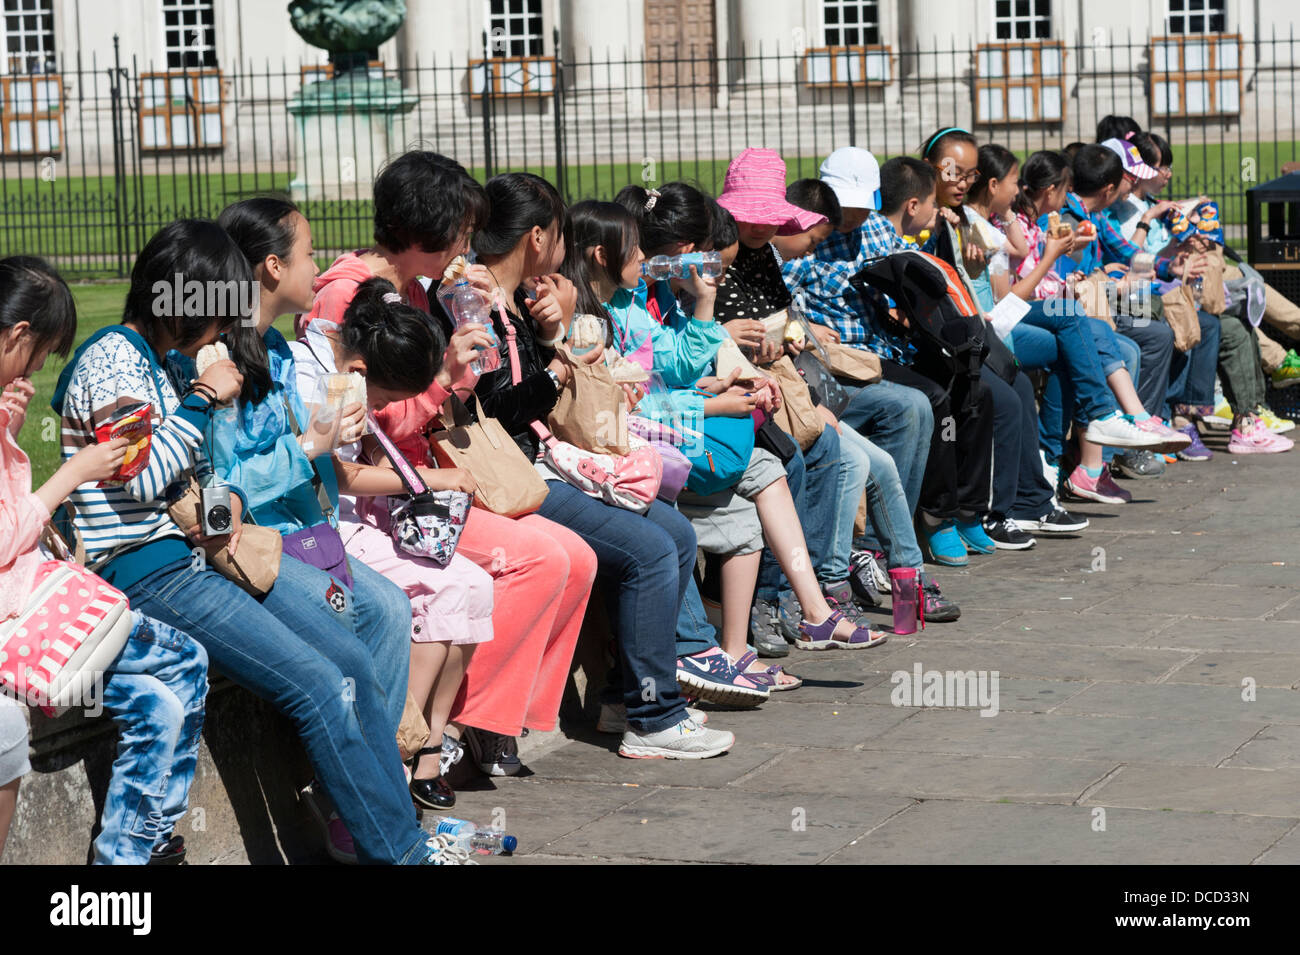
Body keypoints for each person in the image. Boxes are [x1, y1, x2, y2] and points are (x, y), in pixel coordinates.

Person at [53, 222, 467, 865]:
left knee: (352, 664)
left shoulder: (162, 360)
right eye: (220, 307)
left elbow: (197, 485)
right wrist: (202, 398)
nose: (227, 326)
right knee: (320, 685)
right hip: (147, 571)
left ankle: (399, 836)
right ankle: (398, 853)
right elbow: (149, 476)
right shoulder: (115, 359)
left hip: (202, 554)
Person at [305, 152, 599, 777]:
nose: (470, 243)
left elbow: (441, 401)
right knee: (540, 560)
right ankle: (455, 731)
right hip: (384, 493)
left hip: (419, 480)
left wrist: (472, 350)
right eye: (462, 229)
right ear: (430, 228)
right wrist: (445, 379)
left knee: (574, 559)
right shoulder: (349, 296)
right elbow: (363, 426)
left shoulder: (417, 290)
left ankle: (491, 722)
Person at [217, 197, 501, 815]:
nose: (316, 271)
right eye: (308, 254)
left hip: (308, 527)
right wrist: (316, 445)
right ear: (270, 267)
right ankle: (373, 787)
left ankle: (399, 771)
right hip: (275, 539)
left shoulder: (283, 354)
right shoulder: (236, 361)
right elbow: (240, 478)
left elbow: (321, 464)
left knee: (425, 600)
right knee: (376, 620)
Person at [471, 172, 736, 759]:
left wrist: (548, 334)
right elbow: (492, 408)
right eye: (558, 231)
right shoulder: (477, 303)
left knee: (672, 529)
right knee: (647, 549)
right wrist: (561, 359)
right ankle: (655, 717)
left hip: (543, 458)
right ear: (538, 237)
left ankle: (622, 695)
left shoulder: (520, 301)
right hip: (513, 475)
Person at [1, 256, 210, 866]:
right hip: (20, 628)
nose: (41, 369)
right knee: (186, 659)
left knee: (159, 703)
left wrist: (9, 432)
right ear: (18, 334)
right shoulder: (117, 360)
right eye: (41, 353)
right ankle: (143, 847)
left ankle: (125, 857)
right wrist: (72, 473)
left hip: (29, 608)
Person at [711, 148, 888, 642]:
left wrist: (786, 335)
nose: (762, 228)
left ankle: (806, 587)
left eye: (770, 219)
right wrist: (731, 334)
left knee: (833, 449)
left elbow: (782, 317)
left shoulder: (763, 257)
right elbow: (702, 338)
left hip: (779, 379)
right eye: (752, 218)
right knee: (794, 458)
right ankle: (776, 595)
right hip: (740, 390)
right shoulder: (718, 256)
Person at [776, 177, 960, 621]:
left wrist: (794, 324)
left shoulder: (785, 251)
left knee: (916, 405)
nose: (814, 249)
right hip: (793, 393)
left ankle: (899, 573)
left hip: (816, 381)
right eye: (815, 240)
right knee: (862, 458)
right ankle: (843, 577)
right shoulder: (769, 257)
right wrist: (793, 326)